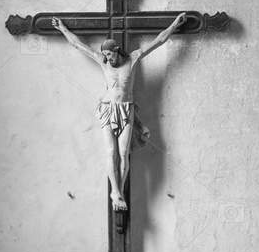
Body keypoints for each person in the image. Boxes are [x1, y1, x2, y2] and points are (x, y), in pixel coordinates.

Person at [51, 13, 187, 209]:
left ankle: (119, 192)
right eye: (105, 55)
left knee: (123, 152)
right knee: (111, 151)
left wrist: (175, 24)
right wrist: (62, 28)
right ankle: (115, 191)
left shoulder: (133, 58)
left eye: (110, 54)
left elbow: (159, 40)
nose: (108, 58)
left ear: (117, 50)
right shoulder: (102, 61)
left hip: (126, 110)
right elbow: (78, 45)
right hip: (107, 109)